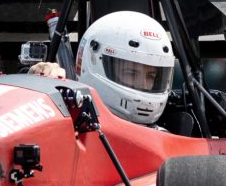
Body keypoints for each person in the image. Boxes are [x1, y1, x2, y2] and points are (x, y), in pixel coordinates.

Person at [29, 10, 175, 124]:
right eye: (131, 73)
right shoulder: (72, 128)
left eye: (151, 76)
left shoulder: (170, 138)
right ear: (93, 62)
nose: (144, 85)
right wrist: (43, 83)